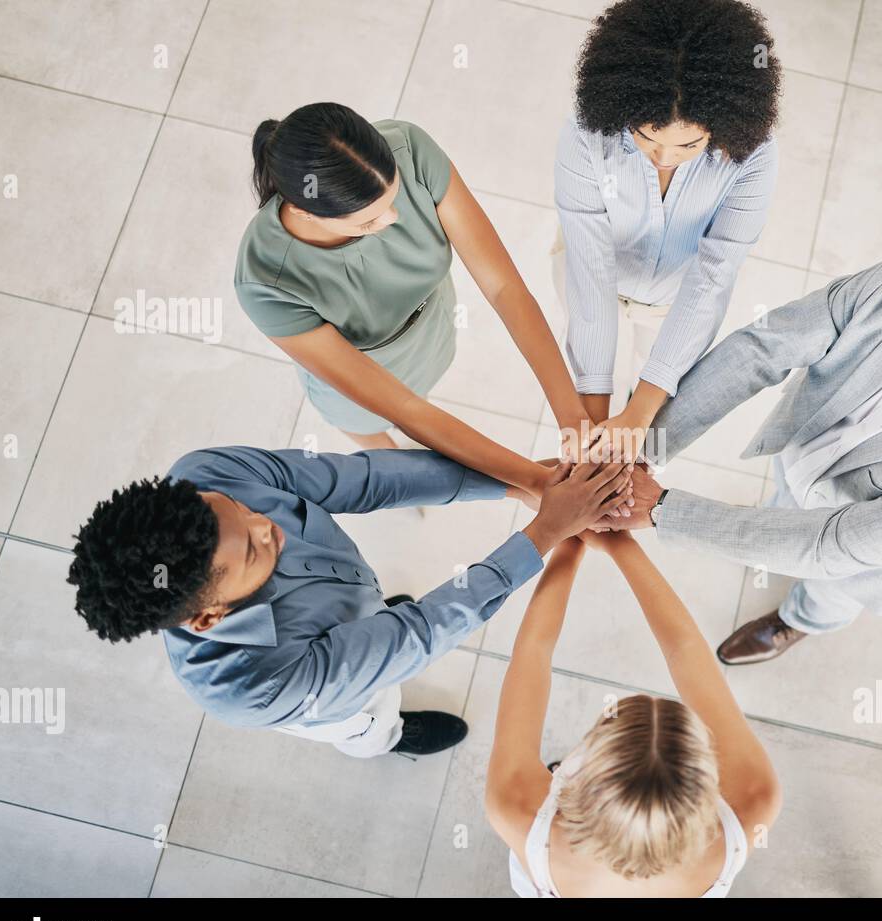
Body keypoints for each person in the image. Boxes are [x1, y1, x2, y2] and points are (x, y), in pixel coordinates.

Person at [595, 246, 882, 666]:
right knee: (783, 508)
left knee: (830, 591)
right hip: (801, 459)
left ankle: (797, 623)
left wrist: (662, 511)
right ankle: (768, 535)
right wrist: (645, 449)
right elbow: (761, 349)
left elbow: (830, 545)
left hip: (858, 550)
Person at [66, 445, 630, 757]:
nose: (268, 526)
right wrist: (545, 532)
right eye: (255, 549)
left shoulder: (203, 473)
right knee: (371, 718)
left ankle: (369, 621)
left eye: (242, 510)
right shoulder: (253, 685)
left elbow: (362, 479)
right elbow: (418, 634)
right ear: (208, 614)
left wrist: (523, 484)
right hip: (344, 704)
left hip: (358, 601)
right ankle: (392, 738)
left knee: (381, 627)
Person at [236, 101, 609, 501]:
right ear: (304, 212)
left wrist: (572, 417)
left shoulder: (410, 149)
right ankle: (399, 469)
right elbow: (404, 407)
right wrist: (532, 482)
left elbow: (505, 289)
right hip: (364, 380)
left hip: (431, 336)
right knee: (381, 434)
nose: (392, 220)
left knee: (425, 399)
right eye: (367, 222)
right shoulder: (266, 282)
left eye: (394, 198)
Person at [485, 530, 781, 896]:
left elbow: (533, 653)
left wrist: (571, 536)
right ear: (707, 769)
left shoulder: (515, 806)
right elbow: (684, 650)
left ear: (586, 770)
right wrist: (618, 542)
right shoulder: (754, 800)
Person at [553, 0, 781, 464]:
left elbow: (713, 274)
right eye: (645, 136)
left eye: (690, 144)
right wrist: (594, 415)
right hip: (591, 281)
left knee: (652, 381)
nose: (663, 158)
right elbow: (589, 268)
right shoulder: (586, 131)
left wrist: (636, 416)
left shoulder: (753, 154)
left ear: (722, 124)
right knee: (593, 360)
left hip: (676, 305)